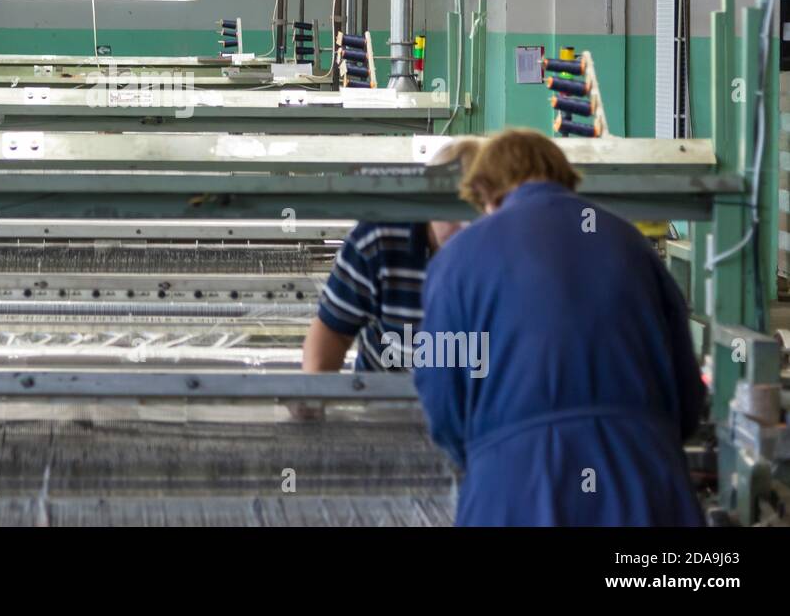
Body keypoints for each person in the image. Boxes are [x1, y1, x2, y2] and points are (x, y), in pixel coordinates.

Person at [415, 128, 705, 526]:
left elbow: (440, 395)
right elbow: (688, 396)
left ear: (488, 191)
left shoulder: (455, 261)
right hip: (645, 482)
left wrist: (489, 460)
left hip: (513, 487)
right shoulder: (631, 244)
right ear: (564, 178)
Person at [302, 138, 481, 373]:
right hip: (386, 403)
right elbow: (333, 331)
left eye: (476, 212)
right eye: (451, 210)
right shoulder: (378, 239)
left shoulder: (511, 250)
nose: (464, 226)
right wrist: (314, 397)